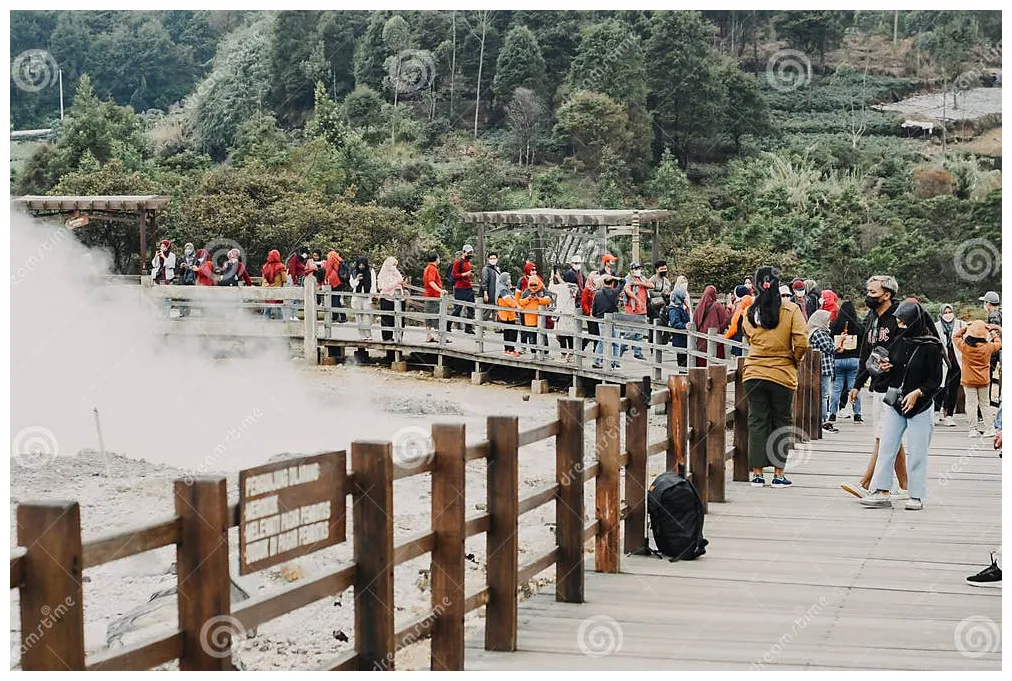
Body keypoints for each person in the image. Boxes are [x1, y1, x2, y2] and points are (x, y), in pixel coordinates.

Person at [859, 301, 944, 511]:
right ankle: (880, 489)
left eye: (903, 322)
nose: (900, 325)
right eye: (898, 322)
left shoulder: (931, 347)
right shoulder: (899, 341)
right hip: (896, 403)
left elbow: (936, 380)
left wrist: (918, 393)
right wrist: (887, 367)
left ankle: (916, 495)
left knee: (917, 451)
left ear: (914, 322)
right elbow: (896, 368)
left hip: (920, 406)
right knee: (887, 446)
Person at [742, 266, 809, 488]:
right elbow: (801, 341)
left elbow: (749, 338)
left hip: (753, 372)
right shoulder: (791, 310)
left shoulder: (749, 311)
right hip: (782, 374)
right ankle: (779, 475)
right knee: (782, 422)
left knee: (757, 421)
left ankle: (758, 474)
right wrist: (794, 359)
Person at [843, 275, 909, 500]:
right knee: (891, 438)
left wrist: (898, 364)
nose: (868, 296)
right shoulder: (871, 317)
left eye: (873, 292)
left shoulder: (900, 318)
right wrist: (857, 384)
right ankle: (905, 486)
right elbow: (865, 352)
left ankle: (866, 482)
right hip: (877, 386)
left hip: (895, 387)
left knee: (884, 436)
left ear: (887, 295)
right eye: (868, 291)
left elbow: (909, 349)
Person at [953, 320, 1002, 437]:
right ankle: (989, 428)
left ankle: (973, 429)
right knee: (984, 404)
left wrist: (966, 328)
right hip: (984, 380)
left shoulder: (965, 346)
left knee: (971, 405)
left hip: (968, 380)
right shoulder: (988, 347)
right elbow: (999, 343)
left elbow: (955, 337)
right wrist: (993, 332)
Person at [828, 300, 865, 423]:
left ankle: (832, 414)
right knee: (853, 388)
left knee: (836, 389)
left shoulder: (834, 325)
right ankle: (857, 415)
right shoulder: (859, 326)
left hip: (838, 359)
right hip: (854, 360)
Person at [933, 303, 965, 426]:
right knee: (940, 389)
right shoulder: (936, 326)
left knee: (953, 390)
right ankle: (937, 413)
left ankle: (949, 415)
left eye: (949, 312)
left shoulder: (961, 325)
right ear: (941, 314)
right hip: (942, 362)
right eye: (945, 313)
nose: (948, 315)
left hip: (956, 362)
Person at [808, 310, 838, 433]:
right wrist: (837, 344)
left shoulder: (815, 332)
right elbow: (829, 348)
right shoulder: (819, 333)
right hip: (823, 368)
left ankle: (820, 420)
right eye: (827, 319)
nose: (829, 322)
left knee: (821, 394)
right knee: (824, 394)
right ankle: (823, 420)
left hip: (820, 367)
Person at [621, 263, 655, 361]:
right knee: (630, 333)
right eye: (636, 268)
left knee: (640, 332)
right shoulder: (628, 279)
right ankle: (620, 349)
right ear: (631, 270)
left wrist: (640, 283)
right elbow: (627, 290)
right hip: (632, 309)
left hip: (642, 309)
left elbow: (651, 285)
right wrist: (636, 299)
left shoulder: (642, 278)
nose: (638, 270)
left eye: (639, 268)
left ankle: (638, 352)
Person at [692, 284, 730, 367]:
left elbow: (695, 321)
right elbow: (726, 319)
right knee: (716, 365)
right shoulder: (717, 306)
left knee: (702, 363)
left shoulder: (699, 307)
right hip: (715, 339)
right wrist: (720, 328)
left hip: (701, 339)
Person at [592, 274, 623, 369]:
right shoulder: (614, 292)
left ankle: (597, 360)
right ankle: (616, 362)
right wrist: (615, 277)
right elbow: (623, 281)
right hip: (613, 319)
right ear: (612, 283)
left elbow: (594, 310)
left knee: (602, 340)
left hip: (601, 319)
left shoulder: (597, 294)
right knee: (616, 341)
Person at [549, 269, 580, 362]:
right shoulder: (575, 287)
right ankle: (570, 354)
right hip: (571, 314)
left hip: (562, 314)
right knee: (570, 335)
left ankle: (563, 354)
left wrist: (552, 278)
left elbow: (550, 288)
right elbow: (566, 284)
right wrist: (558, 277)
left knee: (561, 335)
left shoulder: (562, 288)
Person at [517, 276, 552, 359]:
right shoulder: (526, 292)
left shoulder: (543, 290)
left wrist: (538, 299)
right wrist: (528, 299)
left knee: (543, 336)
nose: (533, 287)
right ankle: (533, 353)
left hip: (541, 319)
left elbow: (548, 300)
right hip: (529, 319)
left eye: (535, 285)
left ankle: (546, 353)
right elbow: (521, 302)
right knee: (532, 337)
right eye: (531, 285)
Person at [377, 256, 408, 342]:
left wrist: (400, 281)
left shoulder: (396, 272)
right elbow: (385, 287)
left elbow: (401, 280)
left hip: (399, 298)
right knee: (387, 319)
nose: (394, 267)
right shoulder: (383, 275)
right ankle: (387, 337)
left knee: (400, 319)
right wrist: (396, 282)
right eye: (393, 265)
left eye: (395, 265)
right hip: (387, 298)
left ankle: (399, 337)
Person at [349, 257, 377, 340]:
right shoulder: (354, 272)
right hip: (357, 296)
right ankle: (362, 335)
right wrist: (357, 279)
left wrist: (373, 296)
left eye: (363, 265)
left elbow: (373, 283)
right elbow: (352, 284)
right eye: (360, 265)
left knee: (367, 315)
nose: (361, 266)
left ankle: (368, 334)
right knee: (358, 315)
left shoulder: (371, 271)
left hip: (367, 296)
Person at [422, 252, 447, 343]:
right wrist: (440, 290)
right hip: (434, 295)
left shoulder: (427, 268)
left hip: (428, 295)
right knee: (437, 315)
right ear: (436, 259)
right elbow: (431, 282)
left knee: (429, 315)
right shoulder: (432, 269)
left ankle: (429, 335)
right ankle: (439, 336)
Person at [451, 244, 476, 334]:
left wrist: (469, 275)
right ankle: (447, 324)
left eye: (471, 253)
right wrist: (465, 274)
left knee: (471, 308)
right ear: (464, 252)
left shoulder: (469, 262)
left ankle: (468, 327)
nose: (470, 254)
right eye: (469, 253)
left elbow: (467, 274)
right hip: (460, 288)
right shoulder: (458, 262)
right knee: (458, 308)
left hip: (468, 287)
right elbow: (454, 275)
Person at [724, 285, 754, 358]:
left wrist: (725, 337)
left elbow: (733, 329)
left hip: (739, 341)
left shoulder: (739, 313)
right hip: (751, 342)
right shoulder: (754, 312)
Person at [496, 272, 520, 356]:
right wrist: (517, 306)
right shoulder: (503, 289)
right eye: (508, 278)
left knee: (509, 331)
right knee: (510, 332)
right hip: (506, 314)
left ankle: (509, 349)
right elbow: (508, 300)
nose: (509, 280)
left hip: (509, 314)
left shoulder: (506, 288)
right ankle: (509, 349)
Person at [260, 249, 287, 320]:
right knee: (278, 308)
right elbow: (285, 279)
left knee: (267, 309)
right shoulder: (281, 266)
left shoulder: (265, 267)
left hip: (266, 290)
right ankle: (281, 326)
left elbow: (263, 279)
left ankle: (265, 326)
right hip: (277, 290)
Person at [668, 286, 691, 367]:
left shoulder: (681, 307)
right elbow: (674, 323)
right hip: (679, 339)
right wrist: (685, 325)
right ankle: (682, 378)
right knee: (682, 361)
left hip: (684, 338)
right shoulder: (673, 309)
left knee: (686, 361)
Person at [286, 246, 310, 321]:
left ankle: (295, 315)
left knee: (297, 298)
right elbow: (292, 270)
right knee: (292, 298)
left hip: (299, 279)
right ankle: (290, 315)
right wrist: (295, 282)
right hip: (293, 279)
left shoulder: (301, 260)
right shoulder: (294, 258)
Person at [323, 251, 345, 322]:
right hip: (339, 282)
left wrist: (325, 278)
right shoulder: (338, 260)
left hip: (333, 281)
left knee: (334, 300)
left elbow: (328, 270)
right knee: (337, 300)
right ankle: (343, 316)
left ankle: (335, 317)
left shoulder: (331, 259)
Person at [479, 252, 501, 322]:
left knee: (496, 314)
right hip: (489, 295)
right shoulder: (486, 269)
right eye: (491, 258)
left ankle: (497, 330)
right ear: (488, 259)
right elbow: (484, 282)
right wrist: (485, 293)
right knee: (485, 314)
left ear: (497, 259)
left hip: (496, 296)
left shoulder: (497, 269)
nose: (493, 260)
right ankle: (480, 329)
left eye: (494, 258)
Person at [581, 272, 600, 352]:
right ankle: (581, 346)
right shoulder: (587, 290)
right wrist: (588, 313)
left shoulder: (599, 289)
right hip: (590, 314)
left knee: (598, 333)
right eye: (595, 278)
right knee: (592, 333)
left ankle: (596, 350)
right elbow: (584, 303)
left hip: (598, 313)